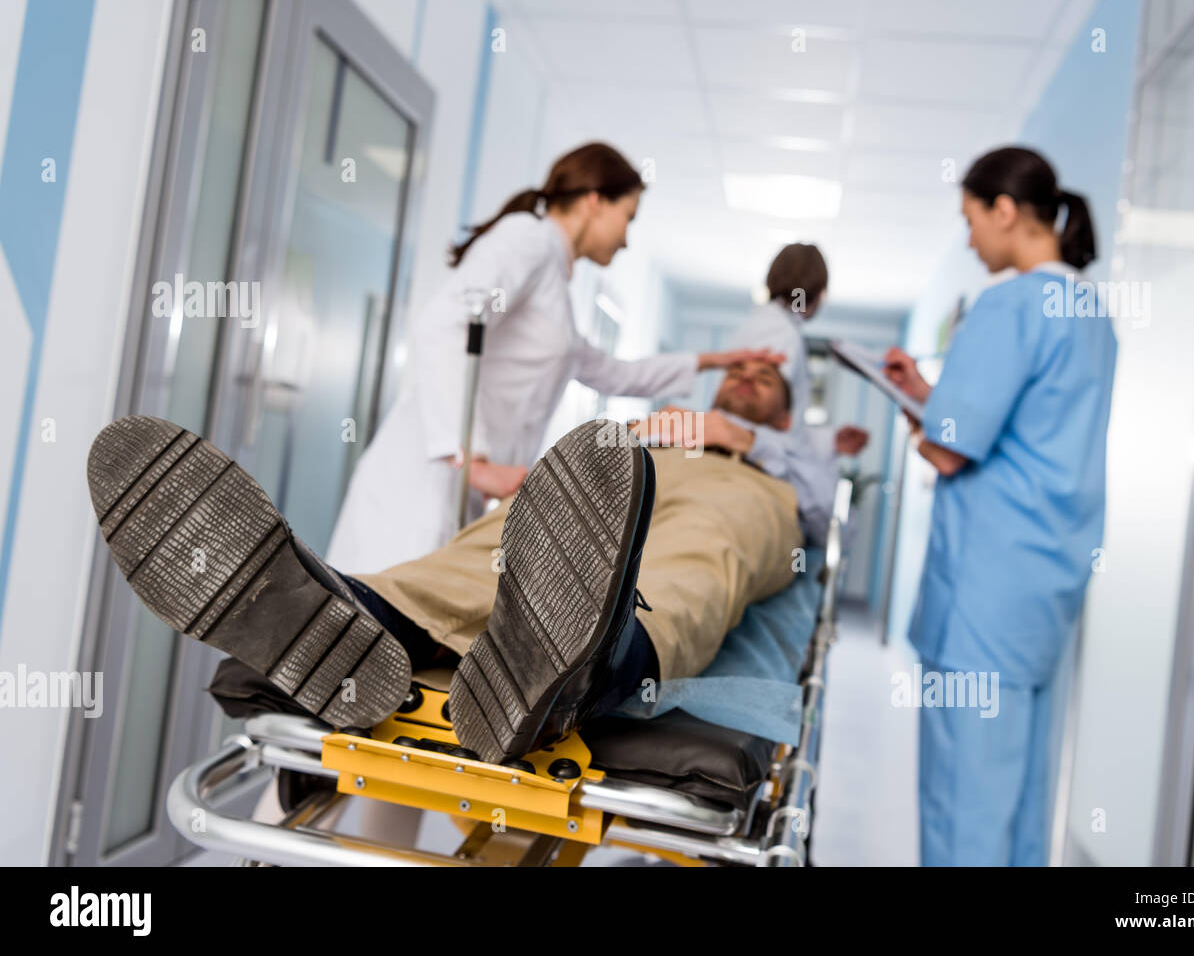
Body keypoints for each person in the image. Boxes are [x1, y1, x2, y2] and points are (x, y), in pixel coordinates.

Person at [85, 360, 830, 763]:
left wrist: (744, 438)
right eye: (738, 376)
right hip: (645, 468)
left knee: (695, 562)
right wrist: (671, 430)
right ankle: (350, 609)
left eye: (764, 381)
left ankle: (600, 656)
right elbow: (613, 452)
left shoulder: (796, 460)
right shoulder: (671, 426)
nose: (746, 380)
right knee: (494, 545)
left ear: (786, 411)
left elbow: (823, 511)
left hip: (742, 496)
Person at [326, 142, 780, 574]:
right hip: (423, 475)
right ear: (595, 200)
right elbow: (445, 325)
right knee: (365, 630)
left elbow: (613, 373)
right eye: (629, 217)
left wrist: (715, 360)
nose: (626, 240)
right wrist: (474, 459)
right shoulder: (529, 239)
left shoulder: (555, 290)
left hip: (457, 481)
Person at [882, 146, 1118, 866]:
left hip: (982, 601)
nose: (969, 239)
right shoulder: (1091, 313)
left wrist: (913, 413)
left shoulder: (1012, 301)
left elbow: (951, 451)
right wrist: (930, 395)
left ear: (1006, 211)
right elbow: (1022, 432)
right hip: (1044, 594)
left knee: (964, 808)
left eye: (972, 219)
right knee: (1019, 808)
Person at [724, 243, 868, 460]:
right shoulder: (780, 333)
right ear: (819, 293)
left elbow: (774, 417)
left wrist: (829, 440)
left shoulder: (768, 325)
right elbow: (752, 414)